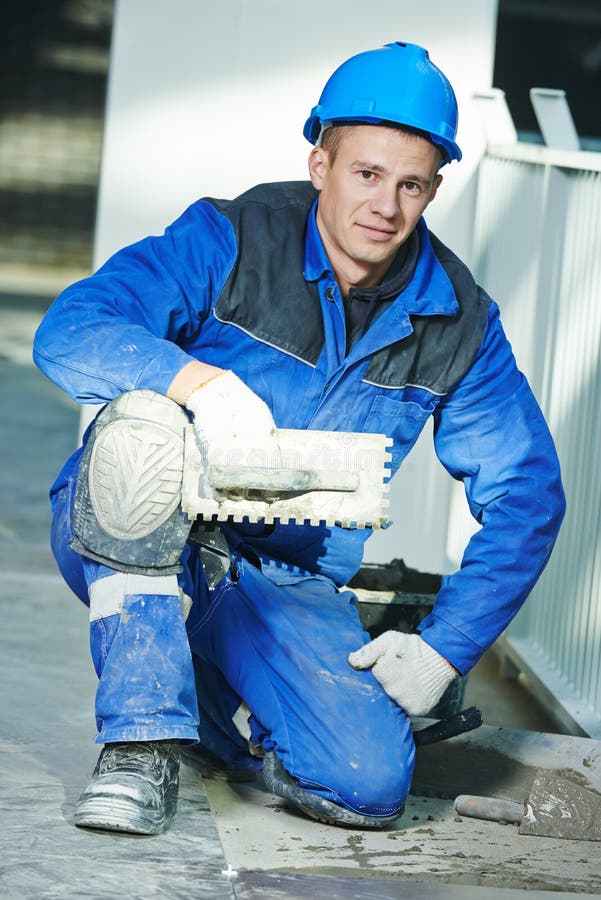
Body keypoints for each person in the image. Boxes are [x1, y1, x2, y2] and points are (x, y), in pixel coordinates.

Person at [33, 40, 565, 835]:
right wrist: (199, 386)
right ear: (321, 163)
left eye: (409, 184)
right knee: (138, 432)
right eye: (365, 173)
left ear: (433, 188)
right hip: (144, 529)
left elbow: (526, 493)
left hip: (280, 575)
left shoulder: (458, 322)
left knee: (369, 782)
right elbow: (72, 327)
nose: (384, 205)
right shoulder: (231, 238)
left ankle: (223, 711)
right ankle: (140, 746)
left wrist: (444, 650)